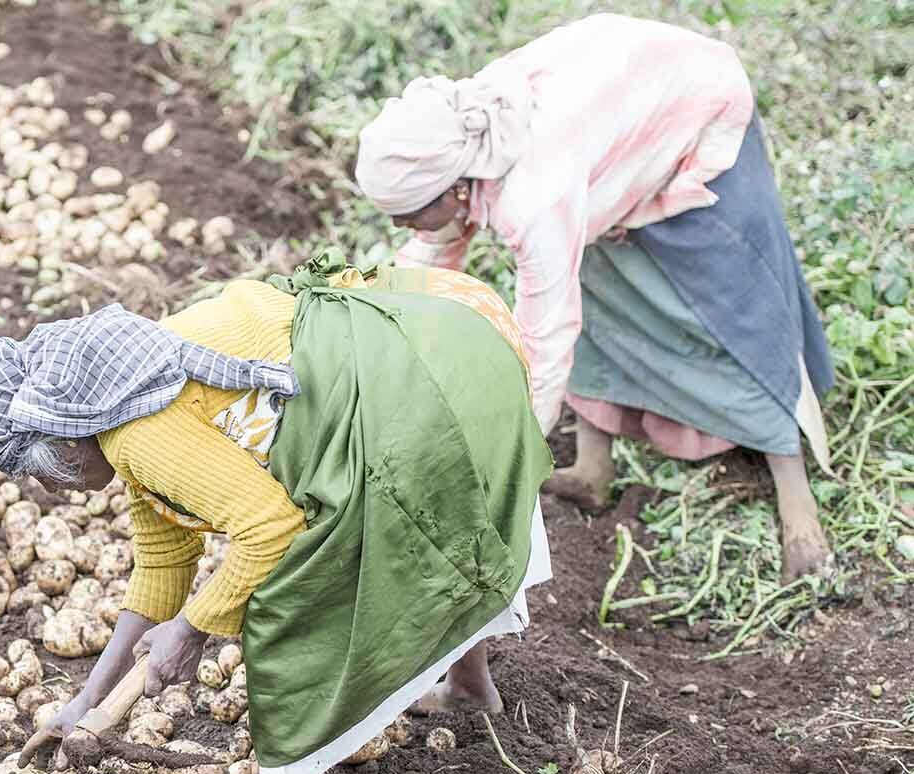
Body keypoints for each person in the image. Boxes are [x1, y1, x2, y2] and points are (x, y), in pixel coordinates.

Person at [0, 254, 553, 774]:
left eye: (39, 470)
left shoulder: (136, 436)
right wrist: (85, 703)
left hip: (413, 388)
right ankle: (471, 687)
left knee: (285, 590)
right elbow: (162, 567)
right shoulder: (123, 395)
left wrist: (191, 632)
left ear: (59, 431)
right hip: (436, 342)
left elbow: (271, 529)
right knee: (360, 540)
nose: (49, 487)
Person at [354, 13, 836, 580]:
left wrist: (511, 455)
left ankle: (797, 502)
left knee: (733, 311)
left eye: (409, 213)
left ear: (456, 187)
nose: (406, 225)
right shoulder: (462, 141)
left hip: (695, 110)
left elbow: (546, 335)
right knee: (602, 292)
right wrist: (374, 346)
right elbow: (427, 264)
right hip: (613, 128)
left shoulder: (533, 195)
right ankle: (592, 470)